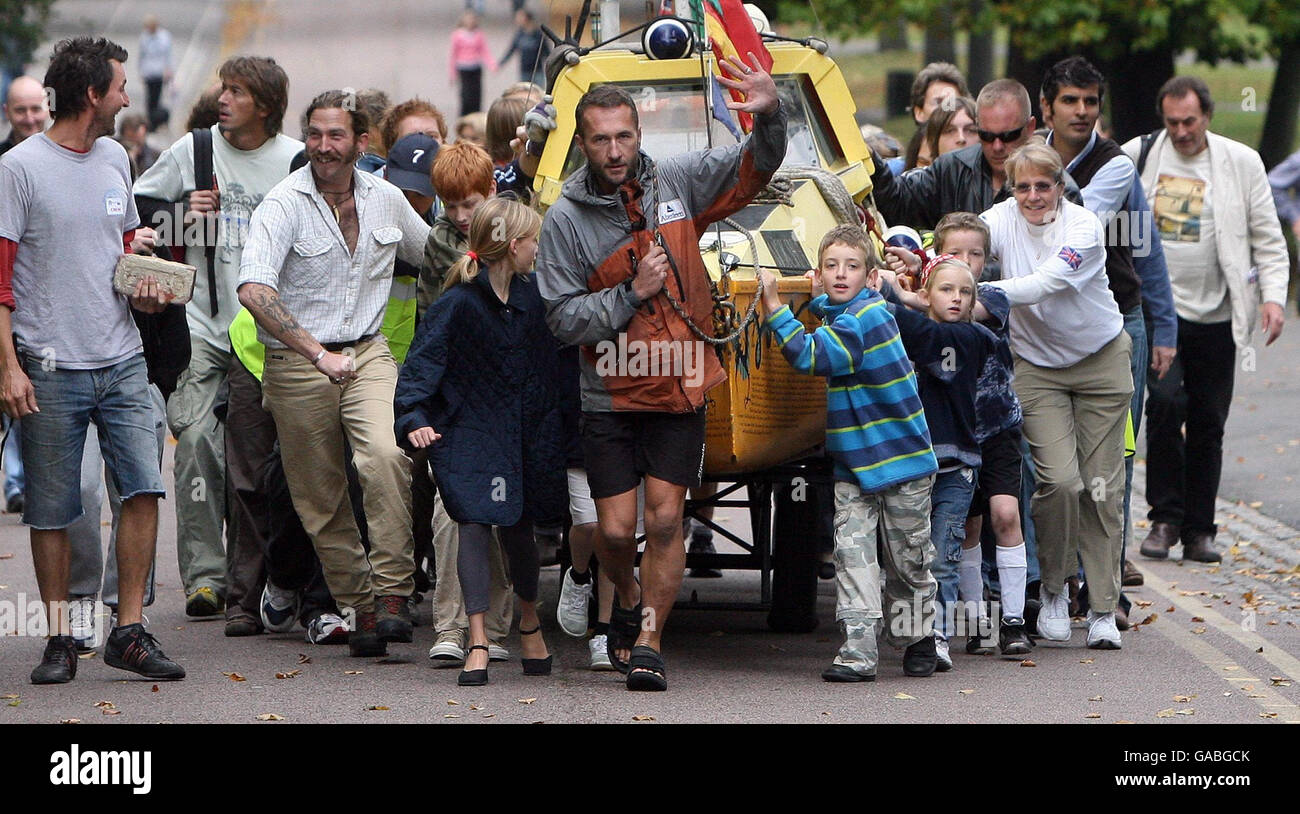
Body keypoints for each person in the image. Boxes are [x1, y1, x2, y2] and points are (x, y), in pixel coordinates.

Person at [536, 54, 786, 692]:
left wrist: (771, 116)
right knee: (617, 531)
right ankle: (623, 594)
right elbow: (562, 320)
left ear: (639, 134)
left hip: (680, 385)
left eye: (624, 136)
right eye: (600, 139)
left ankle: (648, 637)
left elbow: (753, 172)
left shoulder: (675, 180)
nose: (615, 150)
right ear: (582, 141)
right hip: (610, 395)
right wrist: (630, 293)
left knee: (668, 519)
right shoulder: (565, 218)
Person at [0, 36, 183, 683]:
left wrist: (147, 283)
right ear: (91, 95)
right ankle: (57, 638)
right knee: (53, 509)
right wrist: (9, 367)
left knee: (143, 485)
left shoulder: (114, 156)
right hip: (48, 364)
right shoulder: (19, 168)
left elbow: (121, 244)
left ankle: (128, 631)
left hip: (123, 355)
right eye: (120, 87)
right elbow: (0, 280)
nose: (129, 97)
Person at [237, 89, 432, 657]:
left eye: (336, 135)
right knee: (319, 496)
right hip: (300, 362)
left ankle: (394, 594)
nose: (324, 146)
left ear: (361, 143)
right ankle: (360, 607)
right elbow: (253, 289)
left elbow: (437, 257)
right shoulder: (283, 203)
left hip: (368, 352)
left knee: (387, 457)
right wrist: (314, 352)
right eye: (315, 135)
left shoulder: (387, 199)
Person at [134, 56, 302, 634]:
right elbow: (141, 211)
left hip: (266, 331)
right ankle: (206, 576)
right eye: (222, 88)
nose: (221, 98)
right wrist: (182, 213)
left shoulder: (295, 160)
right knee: (199, 441)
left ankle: (271, 578)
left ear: (265, 103)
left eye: (235, 91)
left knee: (267, 462)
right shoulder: (197, 150)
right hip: (203, 327)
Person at [396, 197, 564, 686]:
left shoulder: (536, 302)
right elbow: (420, 368)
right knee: (471, 521)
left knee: (518, 530)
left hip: (528, 433)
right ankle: (477, 639)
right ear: (515, 246)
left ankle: (528, 620)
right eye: (534, 239)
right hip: (470, 429)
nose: (538, 248)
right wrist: (413, 418)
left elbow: (558, 371)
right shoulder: (457, 305)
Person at [759, 226, 939, 682]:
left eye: (852, 266)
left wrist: (775, 307)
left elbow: (811, 354)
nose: (841, 274)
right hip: (855, 464)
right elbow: (834, 314)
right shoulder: (849, 311)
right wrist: (816, 299)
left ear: (872, 277)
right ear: (821, 273)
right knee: (852, 555)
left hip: (902, 462)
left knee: (908, 560)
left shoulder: (870, 319)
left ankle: (917, 636)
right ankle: (858, 651)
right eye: (831, 266)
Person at [1125, 77, 1289, 564]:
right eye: (1172, 122)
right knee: (1165, 405)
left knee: (1208, 422)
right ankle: (1164, 518)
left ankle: (1200, 530)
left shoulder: (1240, 162)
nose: (1180, 132)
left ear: (1207, 117)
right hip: (1160, 313)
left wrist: (1274, 298)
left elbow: (1268, 237)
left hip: (1218, 314)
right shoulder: (1140, 155)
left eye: (1189, 122)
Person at [1038, 55, 1179, 609]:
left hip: (1118, 322)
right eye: (1070, 101)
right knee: (1053, 465)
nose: (1081, 112)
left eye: (1090, 102)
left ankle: (1106, 589)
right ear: (1047, 105)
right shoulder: (1031, 159)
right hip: (1046, 329)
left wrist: (1163, 327)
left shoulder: (1114, 164)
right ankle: (1054, 579)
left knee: (1112, 461)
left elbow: (1145, 248)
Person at [981, 139, 1132, 650]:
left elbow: (1044, 284)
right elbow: (957, 243)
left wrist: (981, 292)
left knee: (1100, 488)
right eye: (1022, 186)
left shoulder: (1084, 228)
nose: (1033, 196)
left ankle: (1104, 610)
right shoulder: (999, 219)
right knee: (1059, 483)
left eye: (1043, 185)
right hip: (1037, 368)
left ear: (1061, 187)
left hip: (1101, 360)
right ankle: (1052, 591)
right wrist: (918, 259)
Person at [884, 213, 1033, 657]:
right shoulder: (937, 295)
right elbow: (934, 308)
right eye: (955, 253)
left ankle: (1013, 620)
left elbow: (949, 316)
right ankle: (972, 622)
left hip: (995, 428)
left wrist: (901, 293)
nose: (965, 263)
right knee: (960, 531)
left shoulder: (991, 300)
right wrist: (913, 283)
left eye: (975, 255)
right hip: (948, 438)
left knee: (1004, 513)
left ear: (987, 261)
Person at [419, 140, 516, 666]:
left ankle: (494, 624)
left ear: (491, 192)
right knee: (450, 508)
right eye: (450, 205)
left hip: (504, 395)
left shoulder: (515, 232)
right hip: (456, 399)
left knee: (498, 512)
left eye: (469, 204)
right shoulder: (439, 244)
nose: (459, 217)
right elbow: (433, 324)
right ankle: (452, 623)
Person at [876, 253, 995, 671]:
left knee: (942, 554)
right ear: (926, 295)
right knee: (909, 553)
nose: (957, 299)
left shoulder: (972, 339)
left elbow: (922, 332)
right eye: (946, 290)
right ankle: (907, 627)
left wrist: (886, 294)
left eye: (966, 292)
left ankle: (937, 634)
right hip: (909, 465)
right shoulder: (907, 332)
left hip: (956, 467)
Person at [0, 75, 48, 515]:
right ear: (7, 114)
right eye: (21, 111)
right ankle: (16, 479)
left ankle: (23, 480)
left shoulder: (62, 159)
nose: (30, 118)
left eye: (37, 109)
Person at [450, 11, 497, 117]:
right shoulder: (458, 35)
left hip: (475, 67)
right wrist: (452, 73)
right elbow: (453, 55)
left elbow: (484, 51)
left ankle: (476, 116)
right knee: (466, 94)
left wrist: (491, 64)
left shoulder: (478, 34)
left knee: (476, 94)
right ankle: (464, 116)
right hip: (463, 67)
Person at [499, 8, 551, 86]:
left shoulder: (538, 35)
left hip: (537, 71)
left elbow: (547, 52)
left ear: (527, 18)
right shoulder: (519, 34)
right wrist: (501, 63)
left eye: (519, 17)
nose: (517, 20)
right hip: (524, 71)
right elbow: (511, 50)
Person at [138, 15, 172, 131]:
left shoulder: (164, 37)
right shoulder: (144, 37)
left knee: (156, 97)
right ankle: (150, 122)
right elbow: (142, 55)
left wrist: (169, 70)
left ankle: (154, 122)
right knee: (149, 99)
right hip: (149, 71)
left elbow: (168, 55)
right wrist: (141, 71)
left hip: (159, 72)